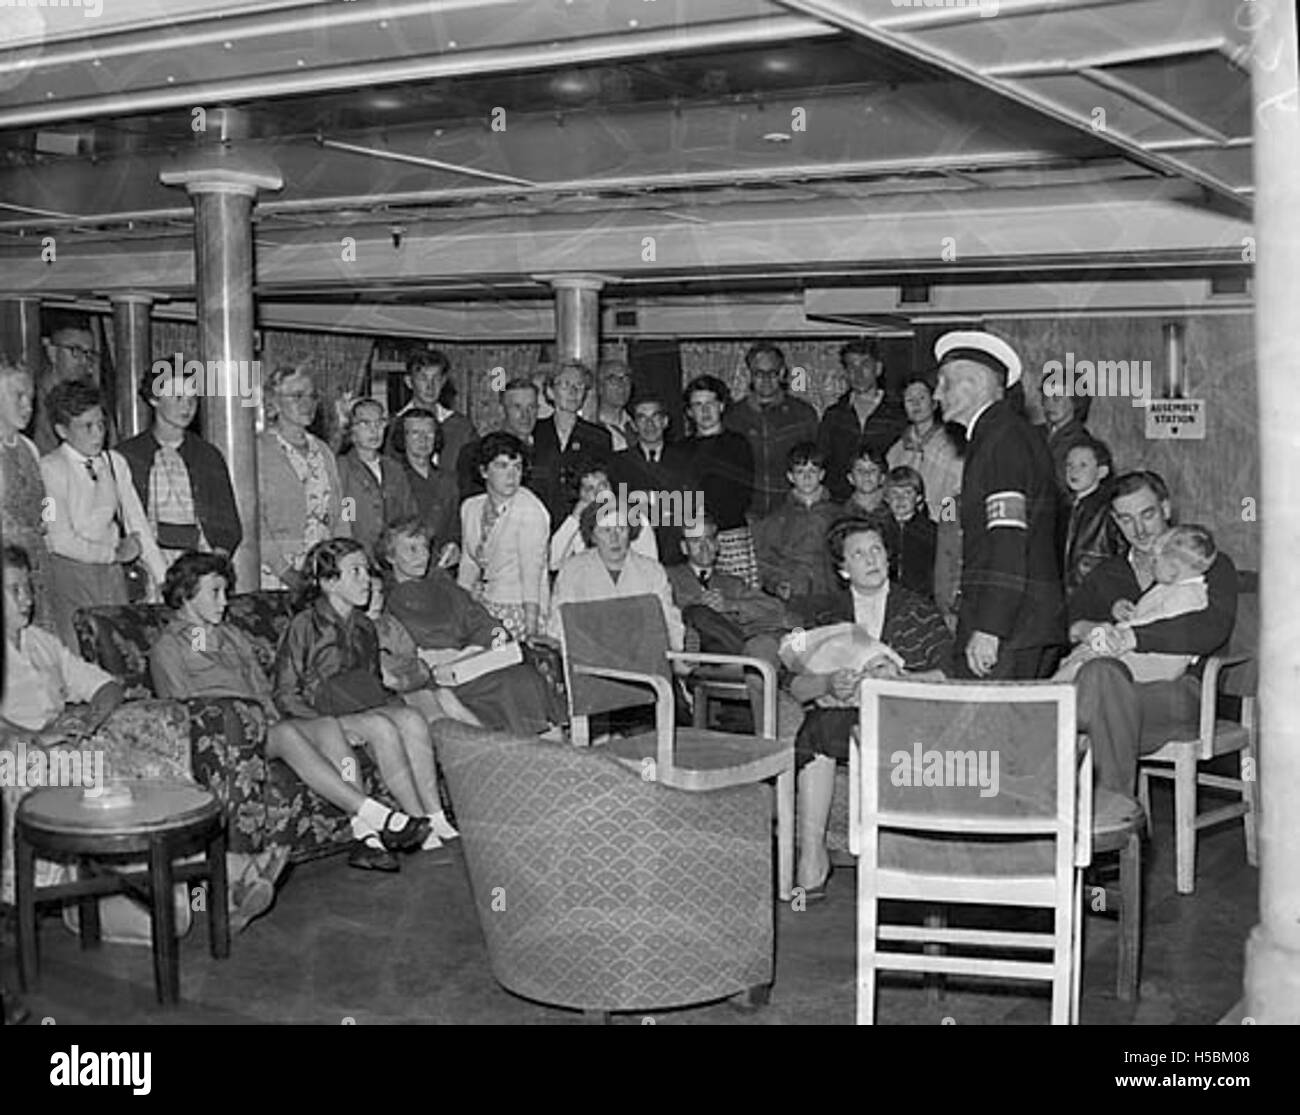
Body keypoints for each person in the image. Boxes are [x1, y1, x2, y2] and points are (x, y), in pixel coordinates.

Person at [150, 551, 429, 875]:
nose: (224, 601)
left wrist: (275, 718)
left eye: (226, 592)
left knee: (326, 726)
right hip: (223, 738)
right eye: (214, 592)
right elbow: (177, 712)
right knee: (286, 733)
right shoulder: (168, 647)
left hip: (264, 725)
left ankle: (366, 837)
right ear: (186, 593)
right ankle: (379, 816)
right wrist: (258, 722)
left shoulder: (230, 635)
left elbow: (261, 688)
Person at [784, 519, 952, 896]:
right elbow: (793, 684)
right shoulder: (826, 616)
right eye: (858, 554)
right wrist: (828, 683)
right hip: (849, 720)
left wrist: (902, 681)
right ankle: (812, 856)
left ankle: (904, 863)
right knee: (816, 729)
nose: (871, 559)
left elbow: (949, 675)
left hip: (907, 717)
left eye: (876, 550)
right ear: (843, 569)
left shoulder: (918, 609)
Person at [272, 539, 458, 859]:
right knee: (380, 727)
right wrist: (324, 723)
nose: (366, 580)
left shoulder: (363, 627)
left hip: (358, 707)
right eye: (355, 572)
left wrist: (395, 705)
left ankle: (435, 816)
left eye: (366, 571)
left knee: (411, 719)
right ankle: (415, 821)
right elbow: (285, 693)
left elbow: (370, 683)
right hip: (320, 716)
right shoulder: (304, 625)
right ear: (329, 582)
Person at [1068, 472, 1237, 795]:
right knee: (1100, 680)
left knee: (1083, 690)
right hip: (1110, 689)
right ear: (1115, 522)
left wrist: (1136, 638)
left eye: (1147, 514)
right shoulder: (1108, 573)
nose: (1140, 529)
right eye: (1127, 520)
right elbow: (1068, 623)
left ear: (1166, 508)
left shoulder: (1205, 563)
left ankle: (1098, 810)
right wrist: (1086, 628)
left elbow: (1212, 626)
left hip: (1182, 692)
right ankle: (1110, 814)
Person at [933, 330, 1064, 679]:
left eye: (944, 384)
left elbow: (1008, 539)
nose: (936, 394)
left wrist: (991, 628)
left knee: (992, 731)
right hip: (1020, 620)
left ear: (975, 384)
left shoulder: (1002, 441)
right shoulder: (1001, 435)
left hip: (1012, 626)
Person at [381, 518, 561, 735]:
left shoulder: (446, 588)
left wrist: (479, 649)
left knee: (526, 678)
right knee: (508, 684)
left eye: (424, 547)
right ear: (390, 556)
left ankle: (540, 750)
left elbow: (489, 626)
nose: (422, 556)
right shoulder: (384, 599)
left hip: (472, 663)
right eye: (411, 549)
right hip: (434, 678)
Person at [40, 378, 167, 647]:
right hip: (70, 576)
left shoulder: (114, 462)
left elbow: (137, 523)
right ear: (62, 430)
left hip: (111, 577)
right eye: (87, 426)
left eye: (101, 424)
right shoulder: (51, 468)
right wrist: (114, 553)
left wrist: (164, 580)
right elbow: (58, 539)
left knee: (119, 650)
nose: (98, 433)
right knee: (80, 653)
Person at [667, 512, 791, 732]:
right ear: (684, 548)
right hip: (692, 658)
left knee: (769, 637)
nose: (704, 547)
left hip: (732, 654)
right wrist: (693, 608)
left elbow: (775, 609)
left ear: (717, 545)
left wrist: (731, 604)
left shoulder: (732, 583)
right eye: (696, 541)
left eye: (709, 539)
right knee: (697, 613)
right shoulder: (669, 578)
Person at [117, 363, 243, 568]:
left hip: (198, 563)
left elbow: (226, 522)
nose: (187, 406)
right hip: (144, 564)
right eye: (177, 397)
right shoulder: (127, 456)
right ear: (154, 399)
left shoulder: (207, 456)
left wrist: (215, 564)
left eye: (192, 399)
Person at [1055, 524, 1217, 684]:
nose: (1150, 566)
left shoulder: (1187, 594)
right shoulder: (1171, 588)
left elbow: (1160, 626)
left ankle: (1048, 693)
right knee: (1087, 652)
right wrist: (1129, 614)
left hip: (1156, 663)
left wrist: (1121, 628)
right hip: (1143, 655)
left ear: (1173, 569)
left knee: (1086, 661)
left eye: (1154, 562)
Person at [256, 364, 350, 590]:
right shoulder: (257, 451)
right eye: (297, 396)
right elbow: (254, 521)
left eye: (312, 396)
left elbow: (343, 511)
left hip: (324, 570)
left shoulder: (324, 451)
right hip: (276, 575)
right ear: (274, 402)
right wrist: (286, 573)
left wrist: (346, 560)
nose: (307, 404)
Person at [549, 500, 684, 651]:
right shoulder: (572, 571)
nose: (615, 538)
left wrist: (678, 652)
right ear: (592, 536)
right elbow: (558, 624)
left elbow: (669, 620)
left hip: (643, 660)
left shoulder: (652, 571)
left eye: (621, 529)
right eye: (606, 531)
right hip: (590, 660)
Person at [458, 431, 550, 639]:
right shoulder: (470, 507)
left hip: (519, 611)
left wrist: (532, 633)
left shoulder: (530, 508)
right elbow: (468, 564)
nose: (512, 475)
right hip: (482, 606)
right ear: (483, 471)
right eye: (502, 466)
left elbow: (532, 577)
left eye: (517, 467)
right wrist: (460, 607)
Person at [724, 341, 818, 520]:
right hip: (746, 515)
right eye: (759, 373)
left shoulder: (802, 414)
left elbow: (815, 465)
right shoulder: (733, 417)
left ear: (782, 373)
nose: (766, 379)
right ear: (749, 375)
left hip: (793, 513)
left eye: (772, 373)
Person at [682, 375, 758, 587]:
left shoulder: (737, 444)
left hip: (730, 535)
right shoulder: (680, 449)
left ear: (722, 406)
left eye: (710, 404)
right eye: (697, 405)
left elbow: (743, 494)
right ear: (689, 412)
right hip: (695, 537)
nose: (705, 411)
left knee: (739, 598)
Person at [818, 338, 908, 503]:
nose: (858, 373)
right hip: (841, 503)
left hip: (886, 504)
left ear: (878, 369)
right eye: (852, 366)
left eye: (865, 365)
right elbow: (822, 461)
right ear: (845, 373)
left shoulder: (899, 414)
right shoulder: (834, 415)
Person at [0, 358, 54, 629]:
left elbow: (47, 500)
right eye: (18, 396)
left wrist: (48, 521)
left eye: (31, 398)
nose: (27, 406)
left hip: (36, 563)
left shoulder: (30, 449)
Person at [609, 394, 693, 565]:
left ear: (665, 422)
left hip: (677, 555)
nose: (649, 424)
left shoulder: (686, 460)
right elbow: (621, 510)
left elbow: (690, 508)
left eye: (655, 417)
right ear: (633, 425)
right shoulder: (618, 463)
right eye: (642, 418)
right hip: (634, 555)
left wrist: (649, 500)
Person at [752, 441, 839, 600]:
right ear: (790, 477)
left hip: (832, 594)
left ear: (822, 475)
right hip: (795, 595)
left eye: (812, 471)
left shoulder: (837, 515)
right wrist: (776, 583)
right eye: (800, 472)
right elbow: (765, 559)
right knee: (796, 626)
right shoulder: (777, 519)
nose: (807, 477)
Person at [531, 360, 613, 527]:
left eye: (580, 386)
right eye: (565, 385)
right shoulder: (534, 432)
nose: (573, 391)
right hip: (537, 523)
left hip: (583, 524)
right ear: (550, 391)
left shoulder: (598, 437)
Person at [337, 397, 418, 560]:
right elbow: (346, 515)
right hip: (357, 556)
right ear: (351, 430)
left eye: (379, 423)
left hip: (394, 558)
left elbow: (408, 515)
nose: (374, 431)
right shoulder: (343, 468)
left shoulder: (394, 469)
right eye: (365, 424)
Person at [549, 455, 658, 571]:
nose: (599, 493)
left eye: (603, 486)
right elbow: (552, 563)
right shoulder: (576, 525)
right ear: (580, 496)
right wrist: (575, 517)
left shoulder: (636, 520)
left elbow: (651, 568)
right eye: (590, 489)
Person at [886, 369, 963, 524]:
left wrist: (947, 529)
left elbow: (955, 495)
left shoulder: (952, 447)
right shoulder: (896, 451)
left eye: (922, 397)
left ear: (934, 402)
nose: (916, 404)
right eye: (909, 399)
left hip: (938, 527)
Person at [391, 348, 473, 482]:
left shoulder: (461, 426)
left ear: (444, 381)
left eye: (437, 378)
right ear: (409, 382)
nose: (430, 386)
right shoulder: (393, 426)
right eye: (423, 378)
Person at [389, 407, 459, 561]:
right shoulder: (393, 478)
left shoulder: (449, 480)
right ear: (403, 438)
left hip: (443, 565)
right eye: (415, 433)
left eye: (429, 433)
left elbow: (456, 524)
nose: (423, 440)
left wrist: (454, 546)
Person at [456, 377, 540, 500]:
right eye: (517, 407)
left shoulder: (547, 451)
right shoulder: (476, 453)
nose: (525, 415)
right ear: (502, 410)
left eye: (531, 407)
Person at [1060, 435, 1124, 596]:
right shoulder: (1064, 508)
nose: (1074, 471)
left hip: (1095, 594)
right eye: (1069, 465)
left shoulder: (1107, 509)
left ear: (1102, 471)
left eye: (1083, 465)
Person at [29, 316, 102, 453]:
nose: (84, 361)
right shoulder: (33, 401)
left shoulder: (92, 399)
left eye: (89, 354)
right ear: (52, 352)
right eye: (76, 351)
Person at [878, 465, 937, 600]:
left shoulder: (932, 532)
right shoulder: (878, 531)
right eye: (894, 493)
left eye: (907, 493)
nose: (900, 499)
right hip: (886, 598)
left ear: (918, 497)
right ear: (886, 498)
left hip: (921, 599)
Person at [1040, 386, 1093, 493]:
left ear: (1075, 400)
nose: (1049, 405)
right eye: (1046, 398)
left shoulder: (1080, 441)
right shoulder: (1036, 433)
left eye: (1057, 398)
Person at [841, 441, 892, 524]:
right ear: (850, 478)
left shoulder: (892, 513)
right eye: (860, 470)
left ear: (882, 478)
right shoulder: (840, 514)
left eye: (873, 470)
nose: (866, 474)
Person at [594, 358, 637, 451]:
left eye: (626, 378)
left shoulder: (638, 425)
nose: (621, 385)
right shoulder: (592, 428)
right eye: (613, 379)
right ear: (600, 387)